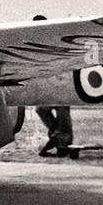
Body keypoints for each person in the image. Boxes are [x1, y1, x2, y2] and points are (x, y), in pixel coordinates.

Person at [30, 15, 74, 158]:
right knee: (42, 110)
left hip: (61, 85)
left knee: (63, 117)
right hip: (48, 85)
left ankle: (62, 144)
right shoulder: (37, 41)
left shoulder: (54, 38)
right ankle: (59, 138)